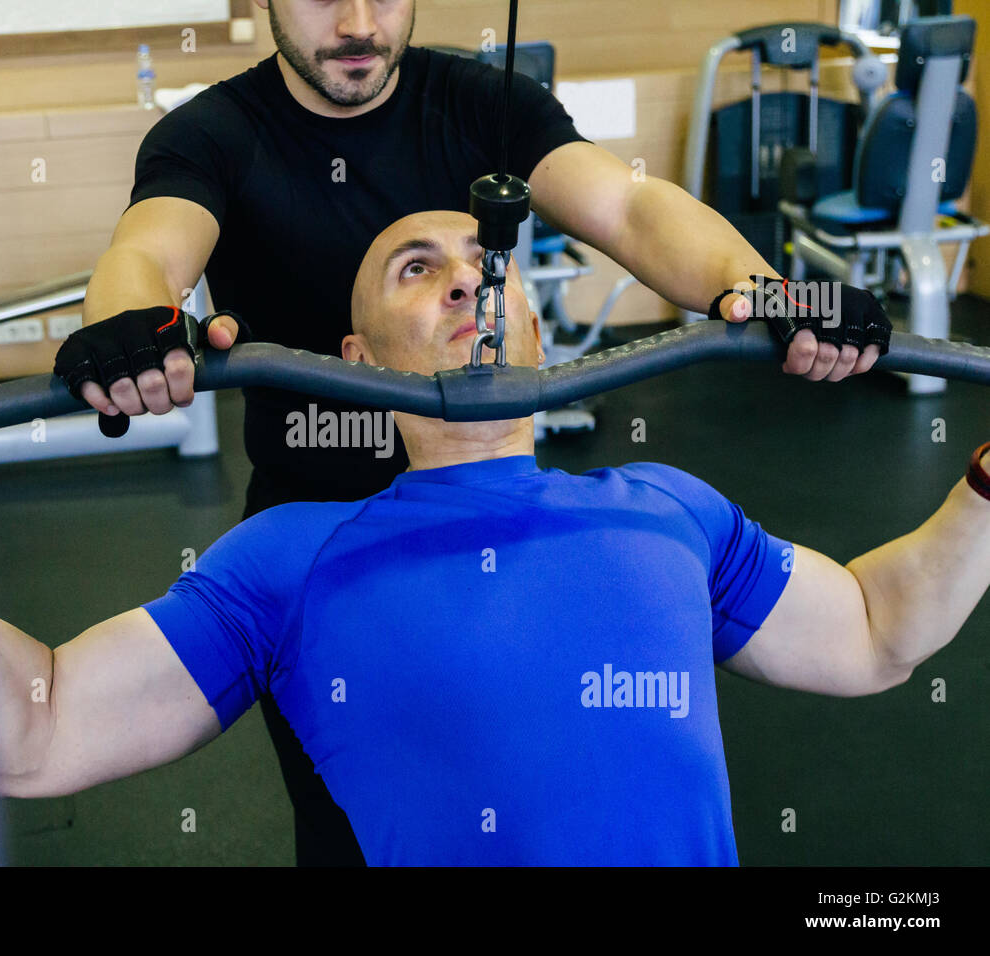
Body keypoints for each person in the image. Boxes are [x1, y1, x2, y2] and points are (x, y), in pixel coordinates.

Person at [51, 0, 891, 865]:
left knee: (537, 784)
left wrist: (757, 288)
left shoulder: (482, 101)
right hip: (323, 546)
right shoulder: (216, 132)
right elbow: (147, 254)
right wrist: (131, 324)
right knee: (346, 826)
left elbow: (630, 208)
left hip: (500, 517)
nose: (355, 22)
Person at [0, 210, 987, 866]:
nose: (466, 284)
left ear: (536, 328)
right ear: (355, 355)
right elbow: (43, 727)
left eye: (486, 266)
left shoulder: (666, 505)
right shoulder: (290, 557)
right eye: (417, 271)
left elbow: (871, 629)